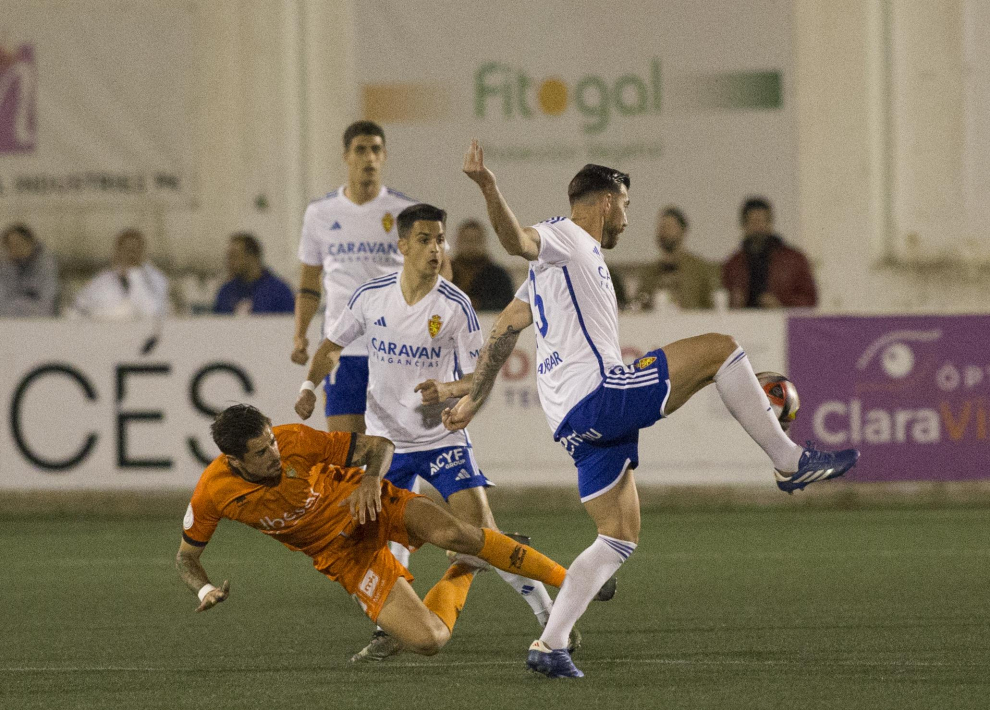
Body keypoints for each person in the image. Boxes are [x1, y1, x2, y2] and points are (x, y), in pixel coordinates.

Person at [450, 140, 860, 678]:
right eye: (624, 205)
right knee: (720, 347)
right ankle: (788, 460)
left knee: (618, 535)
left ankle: (549, 645)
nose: (626, 218)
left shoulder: (561, 267)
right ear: (604, 202)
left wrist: (474, 395)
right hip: (598, 396)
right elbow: (516, 238)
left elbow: (505, 326)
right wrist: (488, 186)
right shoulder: (566, 238)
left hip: (571, 422)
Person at [295, 203, 596, 662]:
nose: (436, 249)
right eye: (424, 240)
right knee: (377, 540)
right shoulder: (369, 297)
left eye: (440, 239)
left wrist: (449, 389)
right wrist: (308, 386)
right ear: (402, 247)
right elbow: (331, 347)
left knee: (482, 536)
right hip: (385, 446)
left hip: (440, 441)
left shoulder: (455, 307)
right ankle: (388, 627)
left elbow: (481, 374)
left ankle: (552, 620)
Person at [175, 403, 578, 660]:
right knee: (429, 641)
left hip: (368, 505)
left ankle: (572, 582)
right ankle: (466, 569)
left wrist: (369, 480)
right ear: (234, 459)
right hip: (343, 556)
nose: (274, 454)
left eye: (272, 443)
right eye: (261, 453)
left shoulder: (295, 439)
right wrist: (203, 589)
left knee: (459, 534)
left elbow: (379, 446)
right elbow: (186, 557)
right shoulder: (213, 492)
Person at [292, 120, 449, 434]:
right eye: (361, 150)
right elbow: (310, 283)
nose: (369, 157)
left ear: (385, 155)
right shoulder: (320, 213)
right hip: (342, 347)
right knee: (345, 451)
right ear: (346, 156)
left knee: (396, 448)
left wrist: (433, 322)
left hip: (396, 347)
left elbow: (442, 269)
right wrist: (300, 334)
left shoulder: (407, 211)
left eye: (376, 149)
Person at [722, 197, 817, 309]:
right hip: (744, 324)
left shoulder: (794, 260)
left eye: (762, 221)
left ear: (770, 223)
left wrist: (781, 303)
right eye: (753, 222)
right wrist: (734, 302)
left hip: (781, 324)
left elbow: (810, 299)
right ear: (744, 225)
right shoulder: (733, 264)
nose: (758, 227)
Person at [71, 228, 169, 319]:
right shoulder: (102, 280)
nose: (131, 254)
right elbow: (79, 308)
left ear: (142, 251)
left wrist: (134, 276)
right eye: (126, 249)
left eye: (135, 249)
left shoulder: (156, 278)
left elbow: (153, 312)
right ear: (118, 251)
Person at [634, 206, 718, 310]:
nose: (665, 232)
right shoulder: (650, 272)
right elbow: (640, 304)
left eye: (670, 227)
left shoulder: (698, 269)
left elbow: (710, 306)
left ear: (683, 231)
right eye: (662, 227)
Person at [213, 232, 294, 315]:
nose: (229, 262)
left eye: (234, 256)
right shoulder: (226, 292)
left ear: (252, 257)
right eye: (228, 257)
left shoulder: (279, 292)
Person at [449, 219, 515, 312]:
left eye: (475, 240)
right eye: (466, 240)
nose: (471, 245)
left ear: (483, 242)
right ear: (457, 242)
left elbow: (507, 304)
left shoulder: (498, 275)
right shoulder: (443, 273)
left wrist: (479, 305)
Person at [0, 223, 59, 317]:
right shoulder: (6, 267)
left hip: (40, 320)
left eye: (18, 244)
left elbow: (48, 300)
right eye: (10, 246)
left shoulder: (46, 265)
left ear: (30, 242)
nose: (15, 249)